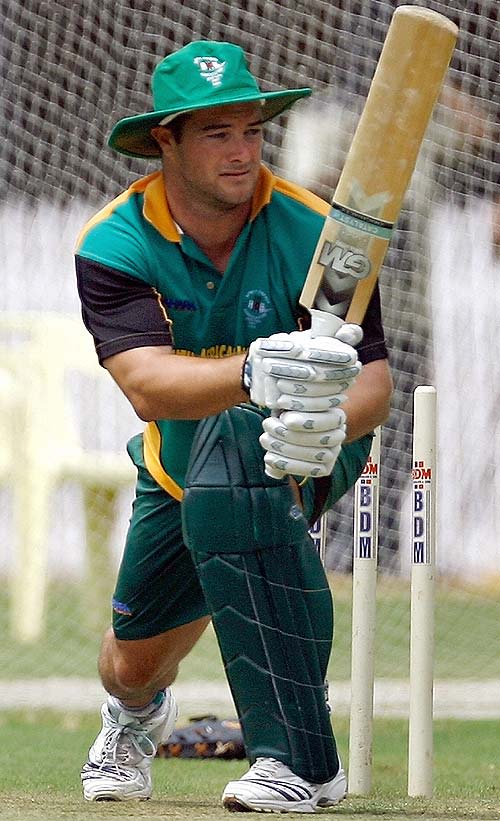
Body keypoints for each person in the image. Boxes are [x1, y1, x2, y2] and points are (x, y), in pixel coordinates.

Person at [75, 40, 392, 813]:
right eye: (217, 133)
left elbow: (376, 383)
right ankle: (134, 716)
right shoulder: (114, 243)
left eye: (251, 130)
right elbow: (146, 385)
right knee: (129, 664)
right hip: (178, 461)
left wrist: (327, 420)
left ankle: (296, 759)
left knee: (247, 480)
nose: (242, 150)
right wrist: (254, 371)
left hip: (308, 445)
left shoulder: (323, 233)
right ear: (166, 140)